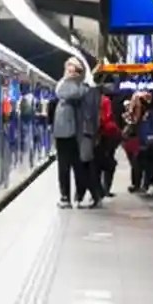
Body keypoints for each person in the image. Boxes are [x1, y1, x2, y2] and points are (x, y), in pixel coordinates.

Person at [52, 57, 99, 208]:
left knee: (80, 166)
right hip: (64, 134)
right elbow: (60, 90)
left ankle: (84, 194)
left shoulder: (81, 88)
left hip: (76, 134)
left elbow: (63, 92)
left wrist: (69, 79)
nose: (70, 73)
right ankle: (67, 196)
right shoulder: (71, 86)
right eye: (68, 69)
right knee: (66, 167)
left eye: (74, 70)